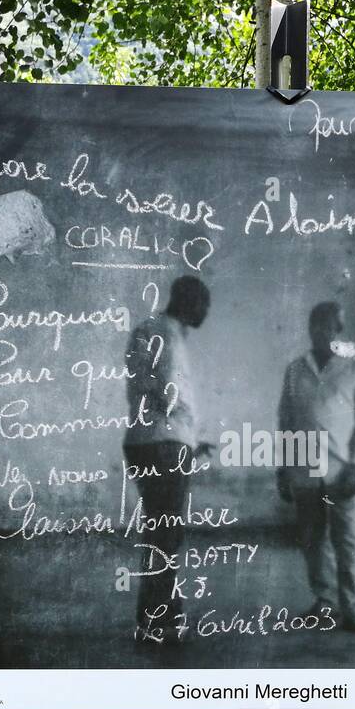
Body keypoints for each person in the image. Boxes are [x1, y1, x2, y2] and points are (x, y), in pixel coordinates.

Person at [278, 301, 355, 634]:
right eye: (316, 325)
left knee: (347, 538)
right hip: (304, 470)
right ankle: (324, 602)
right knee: (312, 538)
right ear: (310, 328)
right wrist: (283, 467)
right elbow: (287, 421)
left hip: (342, 470)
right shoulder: (296, 369)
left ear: (339, 329)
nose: (322, 331)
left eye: (329, 325)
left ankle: (352, 608)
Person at [123, 275, 211, 642]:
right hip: (167, 444)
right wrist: (187, 437)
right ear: (189, 303)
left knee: (159, 530)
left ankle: (160, 613)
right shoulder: (171, 335)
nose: (206, 312)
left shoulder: (147, 328)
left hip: (143, 440)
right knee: (166, 534)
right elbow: (172, 392)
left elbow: (146, 388)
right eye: (204, 304)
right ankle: (158, 617)